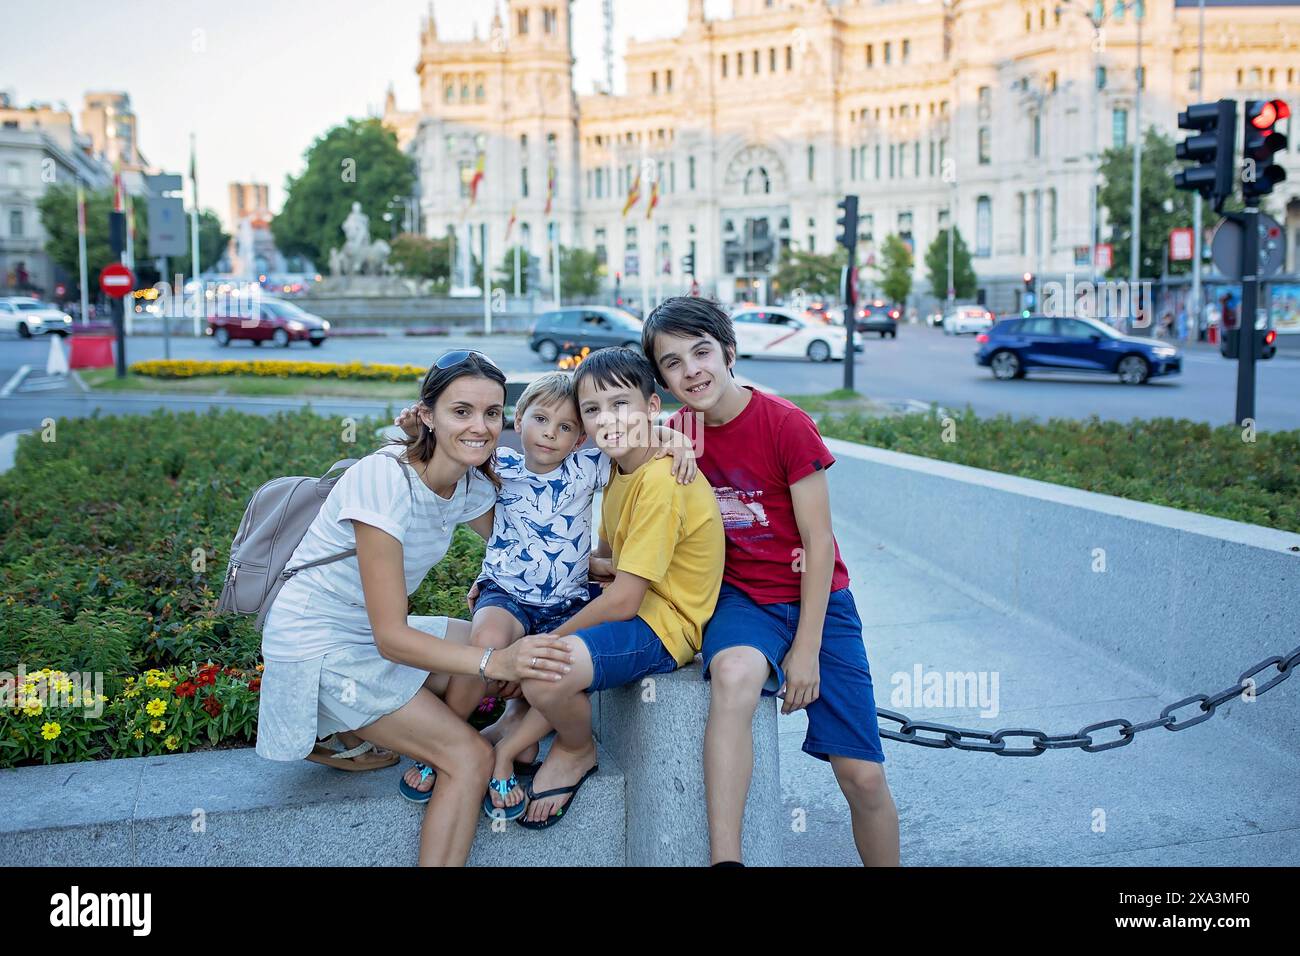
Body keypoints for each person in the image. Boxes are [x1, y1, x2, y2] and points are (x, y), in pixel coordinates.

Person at [254, 349, 574, 866]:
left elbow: (526, 545)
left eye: (492, 413)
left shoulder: (468, 483)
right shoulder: (383, 480)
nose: (481, 426)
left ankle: (409, 745)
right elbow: (391, 637)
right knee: (469, 757)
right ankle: (427, 747)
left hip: (367, 631)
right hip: (321, 643)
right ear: (427, 414)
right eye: (461, 411)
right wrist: (500, 664)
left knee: (481, 636)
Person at [643, 295, 901, 867]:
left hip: (820, 601)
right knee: (733, 676)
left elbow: (819, 544)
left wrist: (806, 650)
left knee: (862, 776)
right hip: (743, 599)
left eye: (702, 352)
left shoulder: (786, 425)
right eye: (673, 362)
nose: (692, 371)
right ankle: (727, 859)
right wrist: (663, 439)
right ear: (661, 377)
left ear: (729, 353)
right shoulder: (678, 432)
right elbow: (604, 446)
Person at [391, 370, 698, 818]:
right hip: (506, 593)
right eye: (541, 420)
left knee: (550, 668)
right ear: (518, 419)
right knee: (486, 646)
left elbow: (638, 436)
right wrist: (419, 428)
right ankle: (447, 739)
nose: (550, 434)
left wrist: (680, 440)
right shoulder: (499, 466)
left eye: (567, 427)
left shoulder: (587, 467)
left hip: (564, 604)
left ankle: (522, 739)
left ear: (579, 439)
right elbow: (452, 447)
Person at [512, 347, 725, 828]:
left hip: (663, 624)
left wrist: (549, 639)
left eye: (620, 404)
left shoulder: (662, 482)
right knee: (517, 613)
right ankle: (515, 731)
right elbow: (612, 562)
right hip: (633, 600)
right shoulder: (615, 466)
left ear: (652, 407)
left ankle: (574, 747)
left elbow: (626, 600)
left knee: (544, 667)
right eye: (592, 409)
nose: (607, 419)